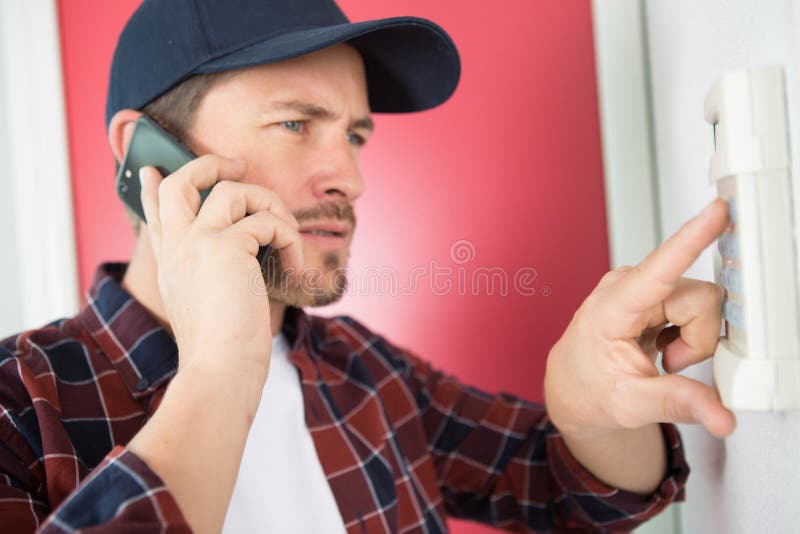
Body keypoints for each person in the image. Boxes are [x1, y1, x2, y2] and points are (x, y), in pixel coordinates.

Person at [0, 0, 736, 532]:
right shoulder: (18, 408)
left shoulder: (369, 373)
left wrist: (591, 413)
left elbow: (573, 492)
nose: (349, 179)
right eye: (295, 123)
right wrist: (221, 369)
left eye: (354, 136)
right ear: (146, 156)